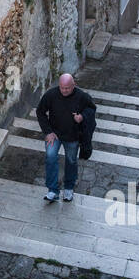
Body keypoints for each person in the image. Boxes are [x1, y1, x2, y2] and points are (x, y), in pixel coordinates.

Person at [35, 73, 96, 203]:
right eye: (62, 87)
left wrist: (82, 117)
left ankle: (69, 187)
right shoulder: (51, 95)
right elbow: (40, 111)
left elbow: (91, 109)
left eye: (67, 88)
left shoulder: (82, 96)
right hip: (54, 135)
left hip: (72, 136)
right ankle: (52, 190)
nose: (64, 90)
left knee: (71, 161)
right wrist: (47, 132)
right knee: (50, 157)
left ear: (73, 85)